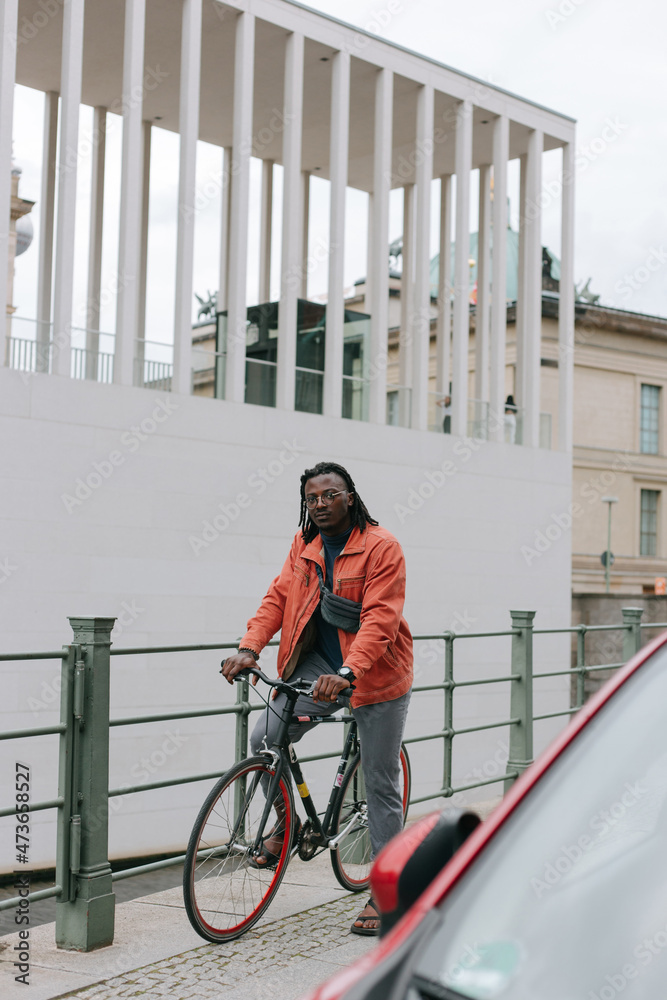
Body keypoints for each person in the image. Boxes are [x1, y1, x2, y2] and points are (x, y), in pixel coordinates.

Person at [222, 461, 413, 935]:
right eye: (312, 498)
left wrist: (349, 672)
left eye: (331, 495)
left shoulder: (382, 546)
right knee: (267, 735)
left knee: (381, 784)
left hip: (375, 672)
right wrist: (249, 648)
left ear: (350, 497)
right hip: (317, 666)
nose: (321, 504)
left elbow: (381, 620)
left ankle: (388, 893)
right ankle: (286, 827)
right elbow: (276, 600)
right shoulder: (304, 546)